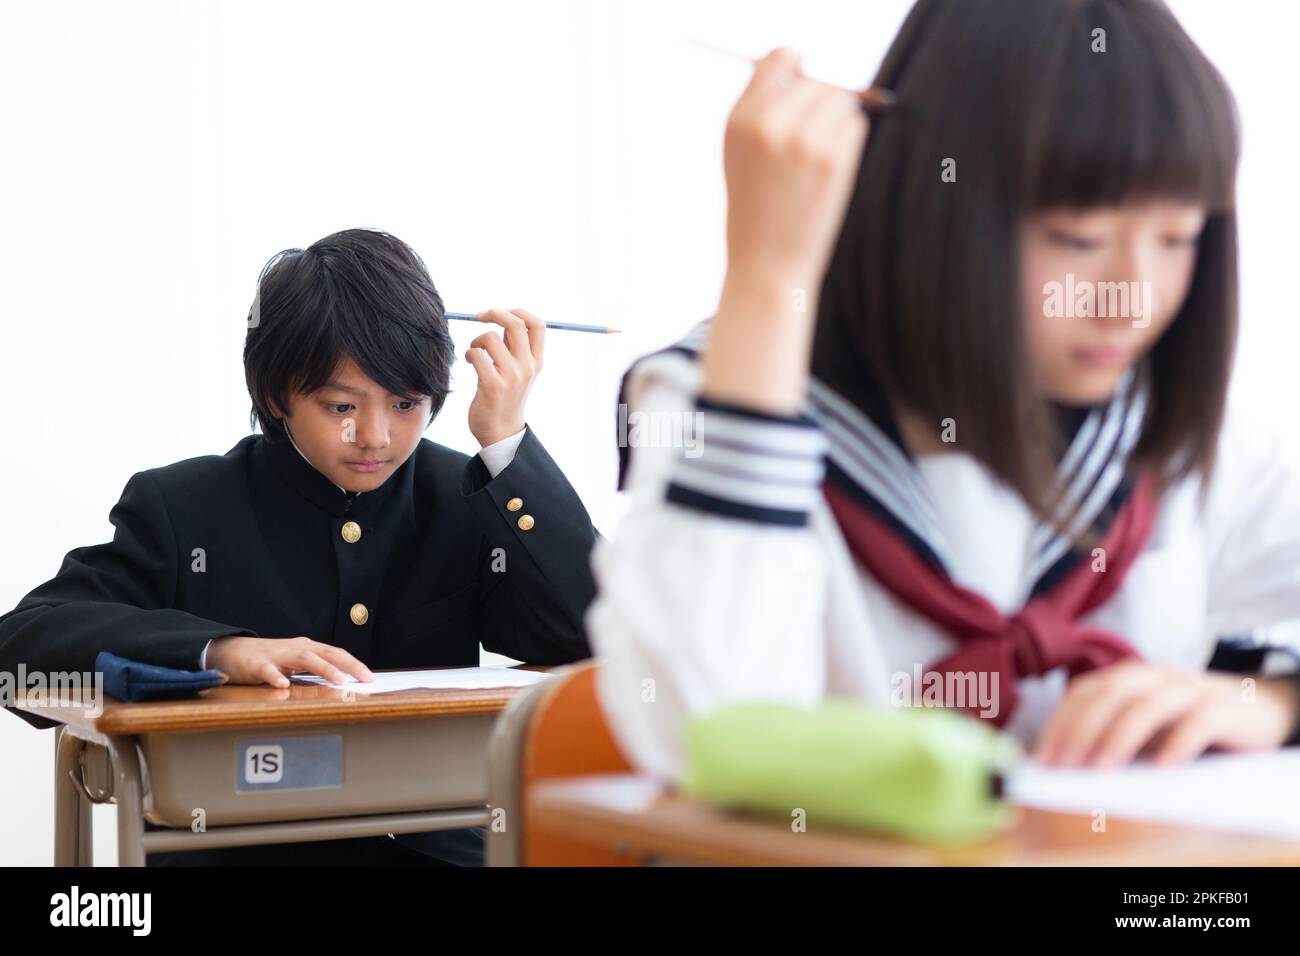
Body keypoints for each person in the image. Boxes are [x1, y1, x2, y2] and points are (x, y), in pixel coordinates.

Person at [589, 0, 1300, 784]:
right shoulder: (727, 395)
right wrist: (768, 272)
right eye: (1080, 238)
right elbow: (704, 733)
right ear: (940, 200)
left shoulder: (1169, 433)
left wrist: (1270, 700)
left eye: (1179, 238)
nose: (1131, 299)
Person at [0, 227, 600, 864]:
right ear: (275, 394)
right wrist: (219, 651)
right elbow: (21, 652)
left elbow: (596, 634)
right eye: (341, 405)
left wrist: (506, 444)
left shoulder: (469, 496)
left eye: (407, 403)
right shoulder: (184, 506)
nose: (376, 435)